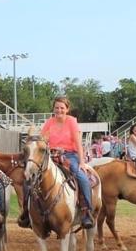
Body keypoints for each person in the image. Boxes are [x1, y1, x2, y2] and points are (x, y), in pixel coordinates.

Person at [30, 96, 94, 229]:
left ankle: (86, 211)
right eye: (56, 108)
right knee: (31, 175)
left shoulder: (71, 121)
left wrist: (82, 162)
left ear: (67, 109)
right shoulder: (49, 122)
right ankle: (28, 212)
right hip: (51, 155)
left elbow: (78, 143)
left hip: (70, 155)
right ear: (53, 109)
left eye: (62, 108)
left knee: (82, 177)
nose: (59, 110)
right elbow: (42, 140)